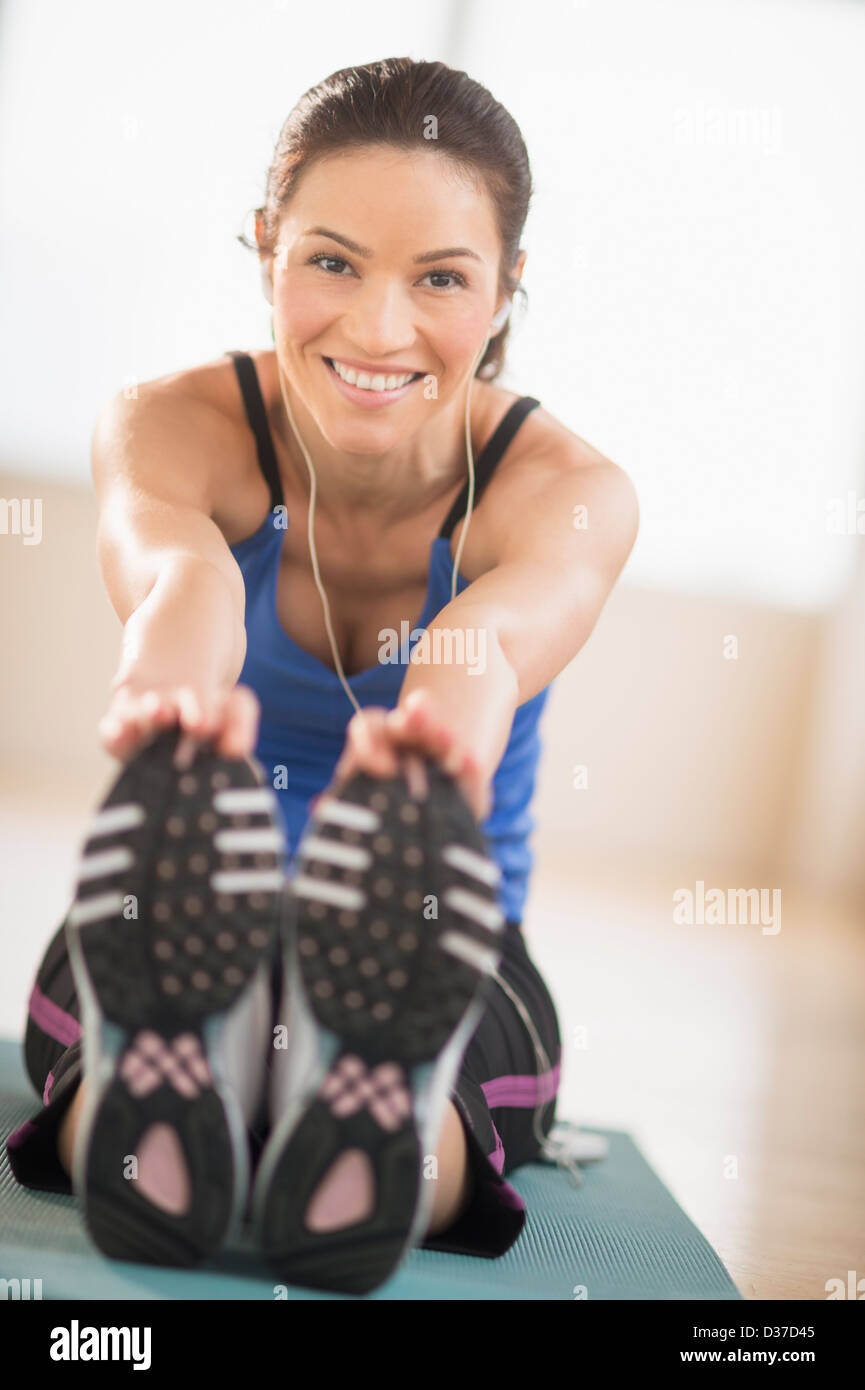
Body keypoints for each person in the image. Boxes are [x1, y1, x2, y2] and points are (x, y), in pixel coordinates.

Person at [5, 56, 638, 1295]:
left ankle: (333, 1109)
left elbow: (486, 642)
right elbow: (179, 579)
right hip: (195, 892)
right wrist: (175, 706)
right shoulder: (171, 422)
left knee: (426, 1012)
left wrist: (428, 758)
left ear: (507, 289)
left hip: (433, 926)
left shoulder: (565, 489)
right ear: (265, 248)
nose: (377, 327)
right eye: (332, 261)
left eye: (440, 279)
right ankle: (288, 1114)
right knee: (130, 989)